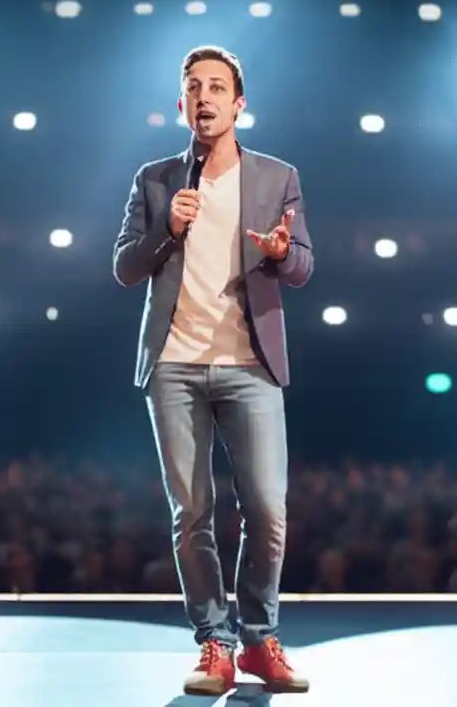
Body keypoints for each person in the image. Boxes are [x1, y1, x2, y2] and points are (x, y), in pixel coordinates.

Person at [112, 45, 313, 696]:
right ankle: (215, 644)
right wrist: (167, 229)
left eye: (217, 87)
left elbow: (304, 264)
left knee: (267, 508)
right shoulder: (155, 179)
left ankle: (259, 638)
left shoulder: (277, 176)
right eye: (193, 87)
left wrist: (282, 254)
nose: (205, 96)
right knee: (191, 512)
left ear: (238, 103)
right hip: (173, 365)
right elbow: (124, 267)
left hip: (250, 364)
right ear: (181, 104)